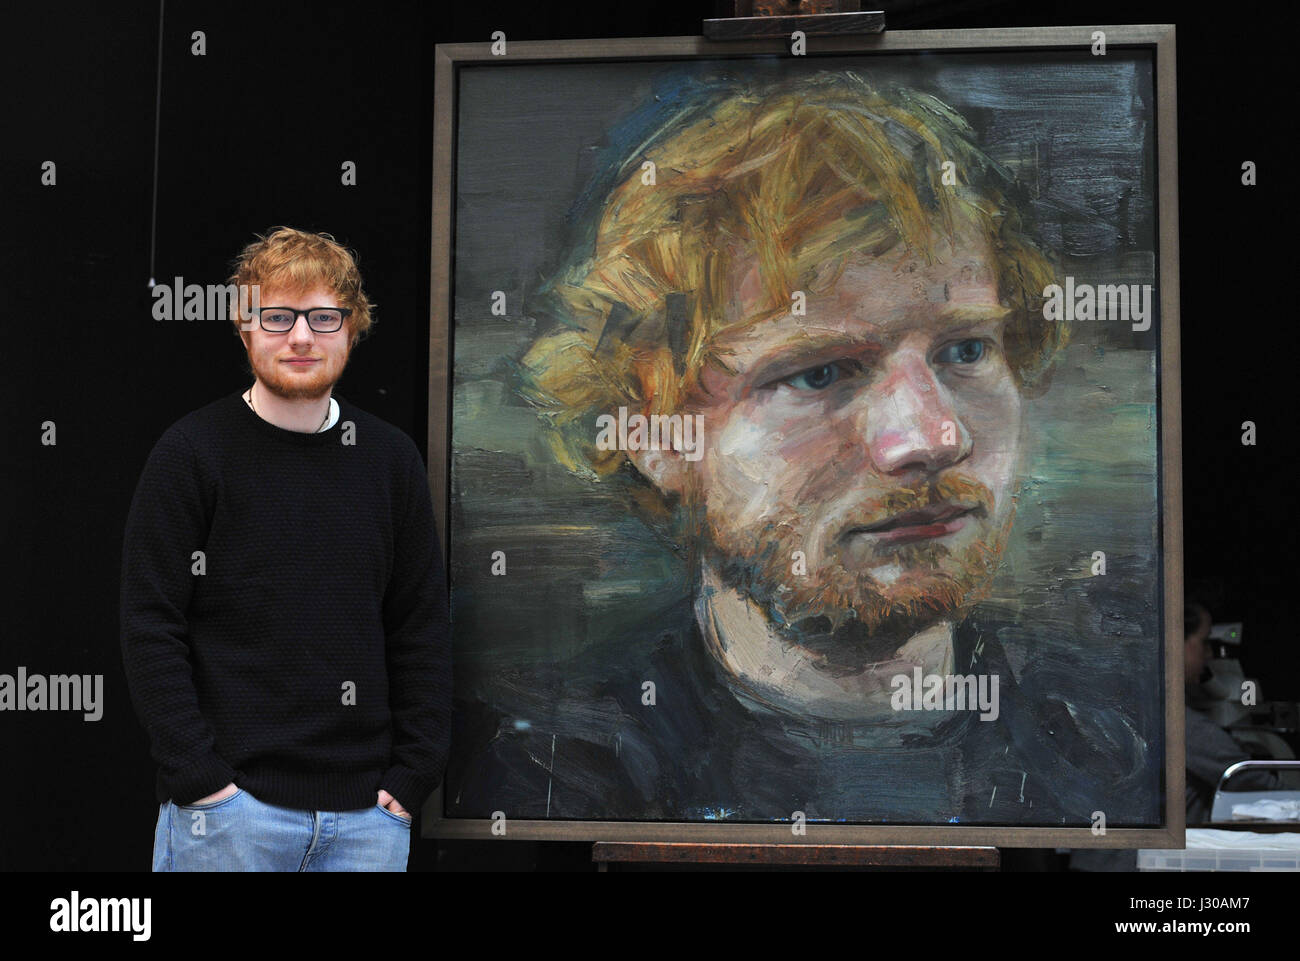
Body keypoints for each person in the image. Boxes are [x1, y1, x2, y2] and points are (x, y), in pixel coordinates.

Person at [447, 72, 1158, 825]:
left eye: (966, 351)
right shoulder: (554, 770)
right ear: (652, 433)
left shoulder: (1111, 746)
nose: (932, 438)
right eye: (820, 372)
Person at [120, 227, 451, 871]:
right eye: (277, 317)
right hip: (226, 822)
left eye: (324, 317)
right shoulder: (191, 455)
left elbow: (421, 627)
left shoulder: (389, 461)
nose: (301, 337)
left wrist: (413, 779)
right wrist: (202, 781)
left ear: (352, 330)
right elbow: (149, 625)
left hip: (367, 827)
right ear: (245, 330)